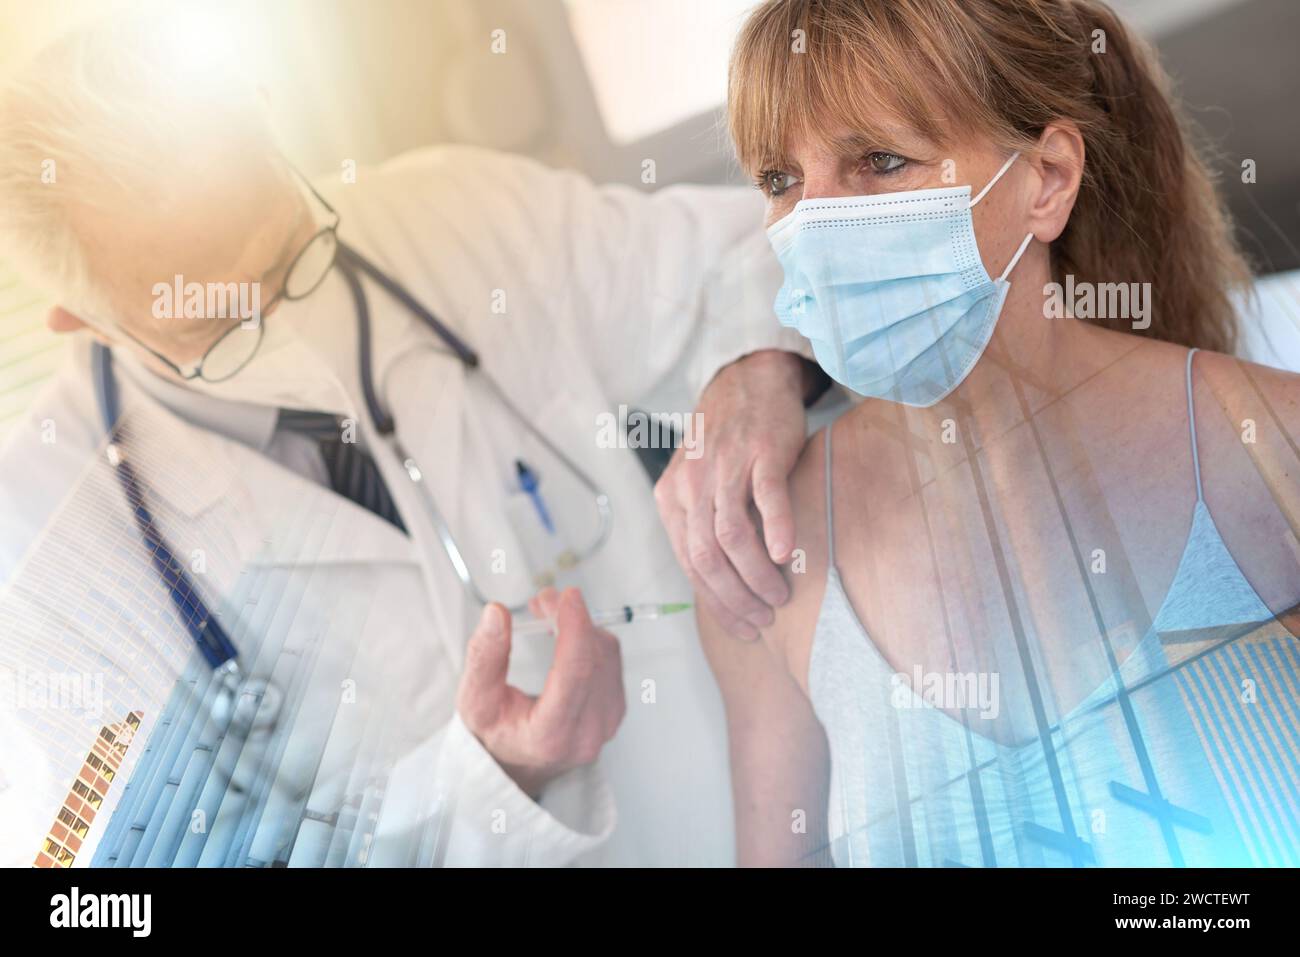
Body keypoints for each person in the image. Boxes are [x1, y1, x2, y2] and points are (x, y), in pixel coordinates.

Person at [0, 13, 818, 867]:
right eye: (216, 319)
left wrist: (755, 367)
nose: (277, 315)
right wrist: (493, 779)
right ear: (79, 319)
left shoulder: (448, 215)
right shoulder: (39, 570)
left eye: (288, 248)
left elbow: (747, 255)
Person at [701, 0, 1300, 867]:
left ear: (1047, 179)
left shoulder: (1272, 445)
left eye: (879, 160)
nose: (814, 228)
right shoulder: (763, 557)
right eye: (781, 181)